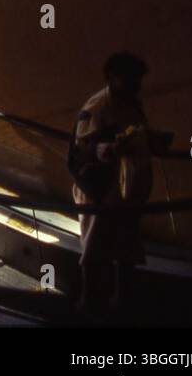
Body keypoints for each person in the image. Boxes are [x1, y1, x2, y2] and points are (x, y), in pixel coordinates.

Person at [69, 51, 170, 317]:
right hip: (100, 193)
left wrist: (154, 139)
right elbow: (81, 149)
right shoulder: (97, 108)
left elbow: (136, 131)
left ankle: (122, 300)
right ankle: (88, 304)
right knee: (94, 249)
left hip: (126, 193)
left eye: (138, 79)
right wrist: (107, 149)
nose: (137, 85)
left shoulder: (131, 102)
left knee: (126, 248)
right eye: (131, 79)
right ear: (112, 78)